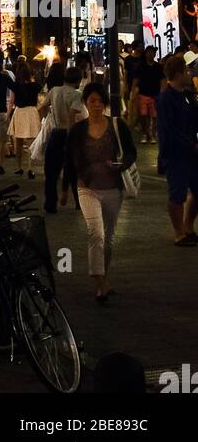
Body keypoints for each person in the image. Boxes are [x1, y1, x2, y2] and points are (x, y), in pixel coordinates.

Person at [65, 82, 137, 304]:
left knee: (108, 238)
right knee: (96, 233)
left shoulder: (117, 126)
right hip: (87, 188)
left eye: (99, 101)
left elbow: (132, 153)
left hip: (113, 188)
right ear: (86, 103)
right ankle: (99, 284)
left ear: (105, 103)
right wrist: (65, 190)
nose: (95, 105)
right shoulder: (78, 130)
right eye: (91, 101)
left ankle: (103, 276)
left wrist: (121, 164)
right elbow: (69, 160)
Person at [156, 53, 198, 247]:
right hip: (176, 154)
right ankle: (179, 232)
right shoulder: (166, 99)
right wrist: (189, 143)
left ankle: (188, 227)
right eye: (186, 70)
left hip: (192, 152)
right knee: (177, 193)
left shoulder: (189, 95)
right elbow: (168, 130)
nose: (189, 73)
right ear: (178, 73)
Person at [42, 66, 86, 214]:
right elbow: (72, 116)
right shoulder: (76, 95)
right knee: (73, 170)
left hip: (55, 133)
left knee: (51, 171)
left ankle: (50, 204)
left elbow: (41, 107)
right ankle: (79, 202)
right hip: (69, 133)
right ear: (78, 80)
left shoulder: (54, 91)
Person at [9, 60, 42, 177]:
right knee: (30, 143)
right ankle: (30, 167)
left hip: (20, 112)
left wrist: (8, 114)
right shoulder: (35, 86)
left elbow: (12, 101)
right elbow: (38, 99)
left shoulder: (16, 86)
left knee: (18, 142)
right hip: (31, 112)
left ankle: (19, 167)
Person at [135, 45, 165, 144]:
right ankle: (145, 133)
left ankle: (152, 134)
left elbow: (162, 80)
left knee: (155, 116)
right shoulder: (141, 66)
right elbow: (136, 79)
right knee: (143, 115)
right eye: (149, 52)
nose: (150, 54)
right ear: (146, 53)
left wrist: (162, 92)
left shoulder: (158, 67)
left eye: (152, 52)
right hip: (143, 93)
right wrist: (133, 90)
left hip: (155, 94)